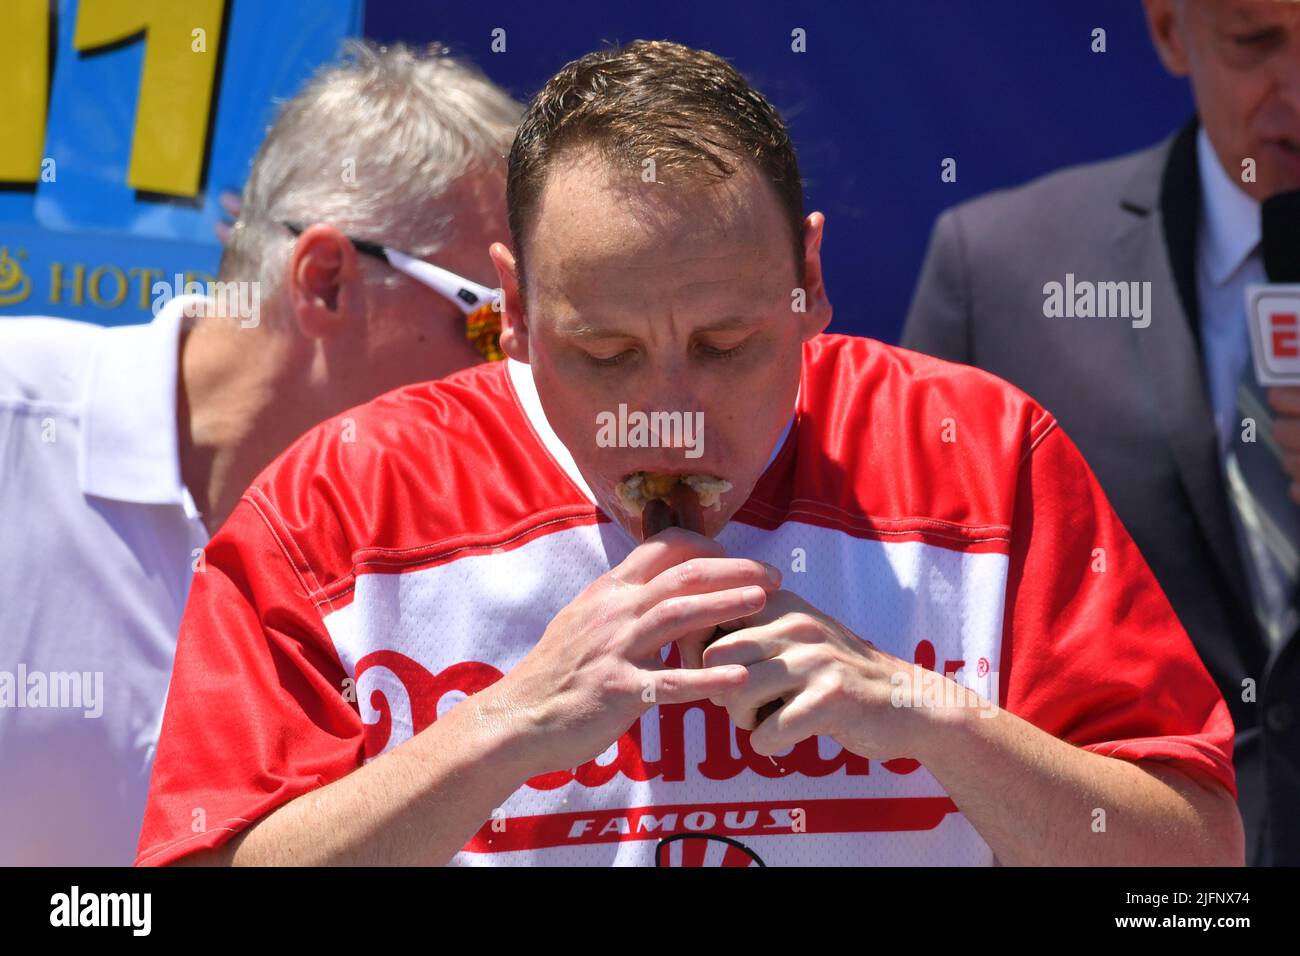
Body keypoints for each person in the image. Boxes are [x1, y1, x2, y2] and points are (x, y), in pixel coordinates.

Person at [138, 39, 1241, 868]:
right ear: (514, 309)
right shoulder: (339, 505)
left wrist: (923, 713)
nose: (666, 413)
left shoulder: (981, 454)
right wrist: (506, 725)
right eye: (605, 352)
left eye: (725, 345)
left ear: (807, 281)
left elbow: (1195, 867)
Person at [0, 41, 520, 865]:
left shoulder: (488, 535)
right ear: (325, 282)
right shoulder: (12, 421)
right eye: (491, 323)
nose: (524, 375)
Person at [901, 0, 1300, 865]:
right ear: (1168, 30)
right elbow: (915, 607)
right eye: (1257, 40)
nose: (1298, 88)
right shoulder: (1002, 268)